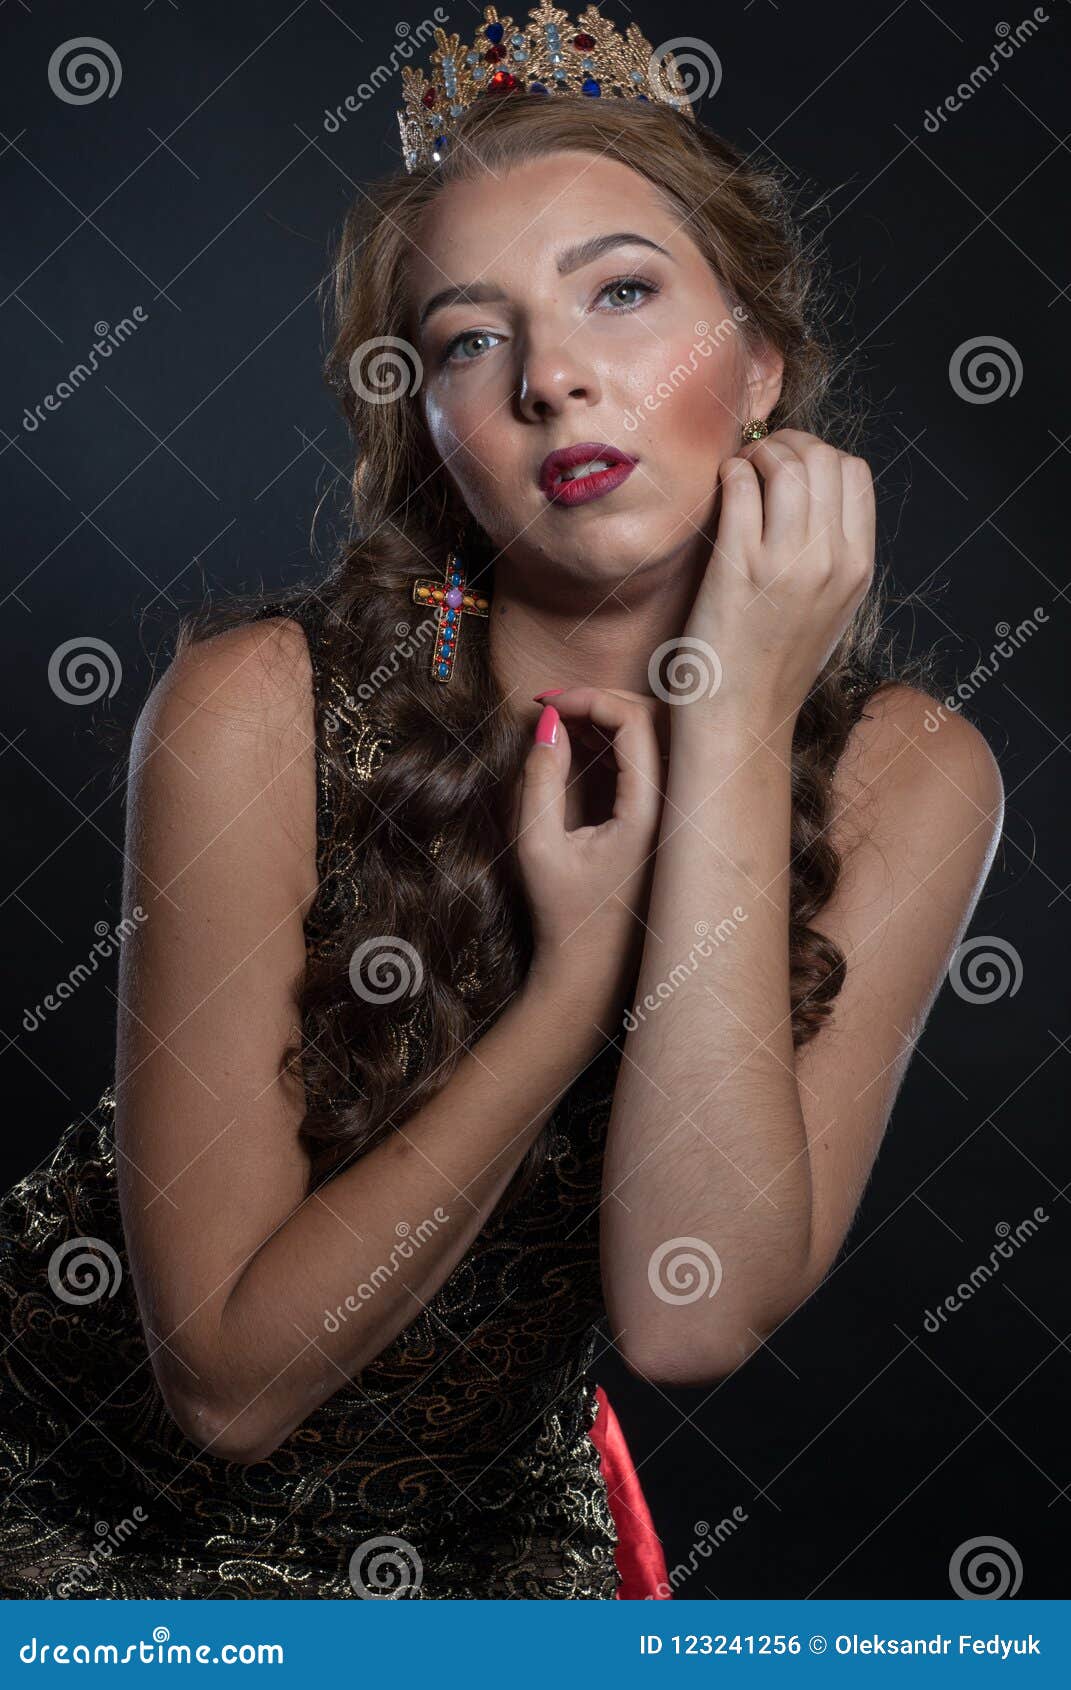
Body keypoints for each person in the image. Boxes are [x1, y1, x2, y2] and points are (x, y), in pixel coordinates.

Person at [0, 3, 1004, 1601]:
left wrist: (737, 723)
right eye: (472, 338)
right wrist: (574, 983)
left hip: (477, 1543)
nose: (553, 377)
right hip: (67, 1496)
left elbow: (686, 1313)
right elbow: (228, 1384)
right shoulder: (256, 706)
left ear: (757, 363)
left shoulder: (910, 772)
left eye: (622, 291)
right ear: (429, 429)